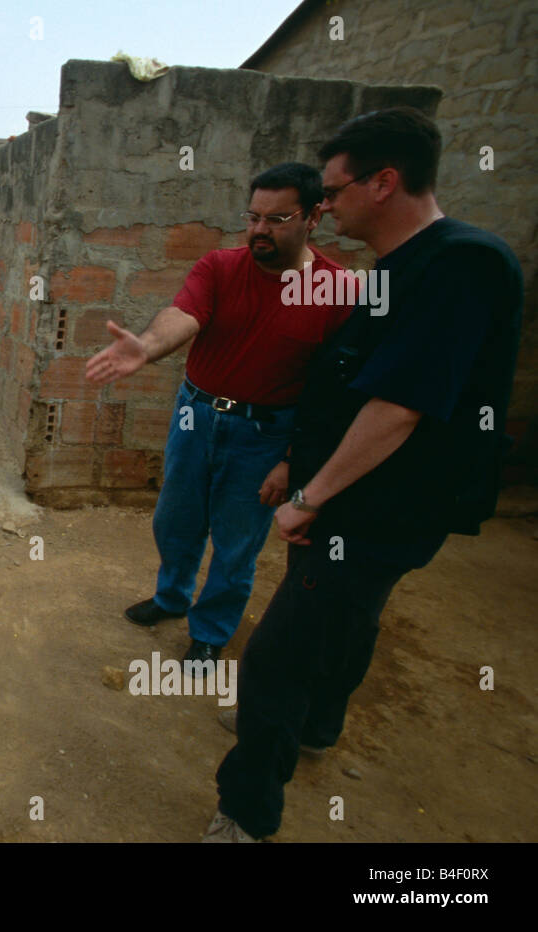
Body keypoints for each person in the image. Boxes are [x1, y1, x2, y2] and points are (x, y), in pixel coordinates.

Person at [206, 107, 524, 842]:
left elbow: (399, 405)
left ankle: (247, 813)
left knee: (276, 656)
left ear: (384, 182)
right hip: (355, 497)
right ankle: (317, 726)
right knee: (347, 621)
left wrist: (311, 496)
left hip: (375, 506)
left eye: (332, 191)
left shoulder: (460, 265)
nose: (324, 208)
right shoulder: (400, 267)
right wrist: (300, 463)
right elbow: (345, 385)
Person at [87, 163, 353, 669]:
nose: (259, 230)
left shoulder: (337, 291)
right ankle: (171, 597)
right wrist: (147, 346)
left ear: (313, 217)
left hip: (267, 434)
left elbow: (331, 394)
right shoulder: (219, 267)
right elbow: (184, 315)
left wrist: (293, 459)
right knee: (175, 521)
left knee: (236, 542)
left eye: (276, 219)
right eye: (253, 217)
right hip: (197, 416)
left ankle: (210, 632)